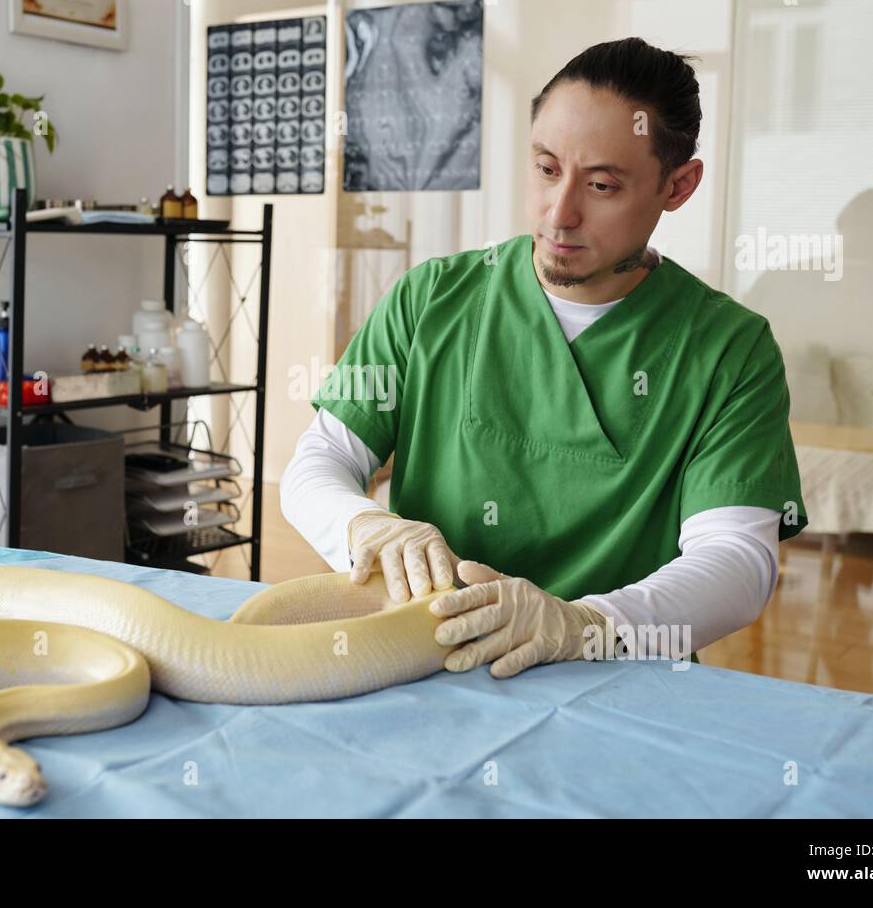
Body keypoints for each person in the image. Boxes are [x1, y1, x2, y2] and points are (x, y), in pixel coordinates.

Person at [281, 37, 807, 679]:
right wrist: (365, 526)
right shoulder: (433, 298)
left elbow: (736, 561)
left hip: (615, 681)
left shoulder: (729, 350)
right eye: (546, 169)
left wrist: (585, 626)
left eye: (603, 185)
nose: (560, 215)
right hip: (422, 661)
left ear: (678, 186)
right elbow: (320, 461)